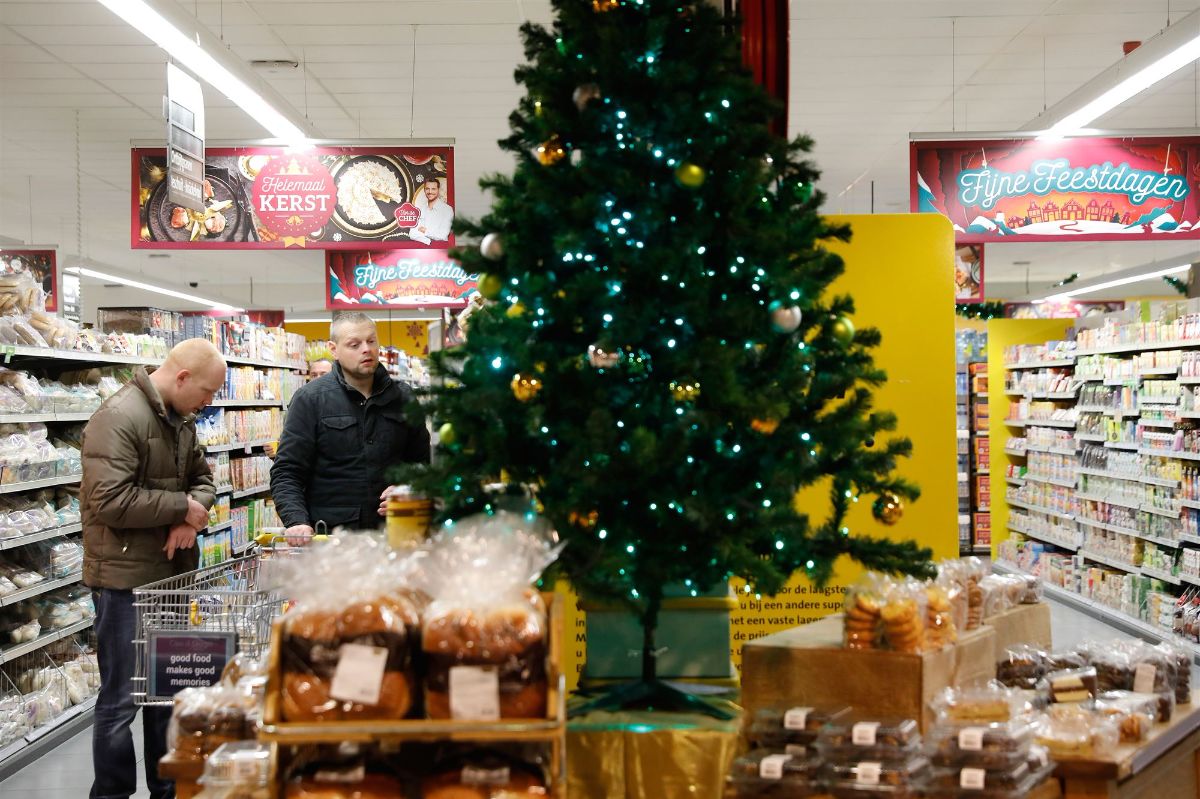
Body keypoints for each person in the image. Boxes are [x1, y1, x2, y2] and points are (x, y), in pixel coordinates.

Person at [81, 339, 226, 799]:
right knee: (121, 702)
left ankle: (168, 790)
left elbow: (206, 479)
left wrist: (191, 512)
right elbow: (109, 501)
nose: (209, 403)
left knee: (166, 694)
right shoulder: (118, 417)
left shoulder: (181, 419)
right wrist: (180, 507)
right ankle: (112, 793)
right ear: (181, 377)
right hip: (125, 583)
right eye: (206, 392)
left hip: (172, 577)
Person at [271, 312, 430, 540]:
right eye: (354, 344)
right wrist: (296, 521)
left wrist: (408, 489)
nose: (366, 349)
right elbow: (287, 471)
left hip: (394, 535)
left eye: (371, 341)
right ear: (333, 349)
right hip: (332, 540)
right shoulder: (311, 399)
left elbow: (421, 464)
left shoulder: (403, 397)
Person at [407, 177, 454, 244]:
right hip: (422, 249)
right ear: (424, 190)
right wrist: (428, 241)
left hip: (440, 249)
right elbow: (412, 234)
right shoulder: (421, 209)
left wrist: (425, 230)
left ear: (438, 190)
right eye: (427, 189)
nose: (430, 192)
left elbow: (443, 235)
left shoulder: (447, 210)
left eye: (433, 189)